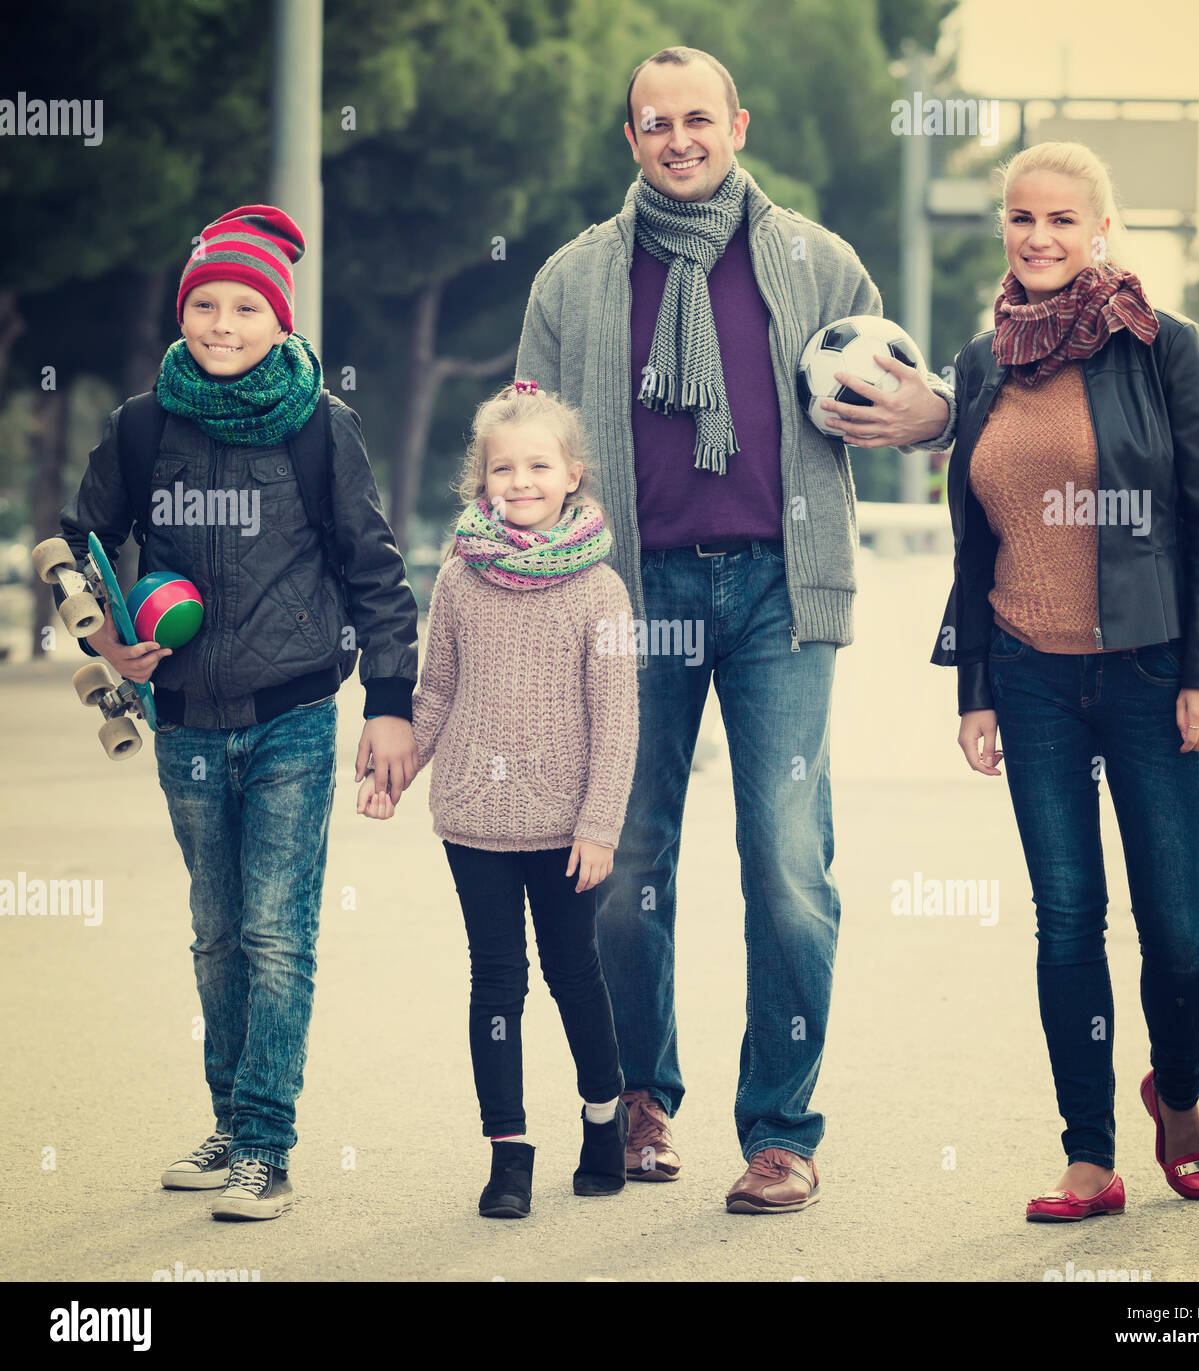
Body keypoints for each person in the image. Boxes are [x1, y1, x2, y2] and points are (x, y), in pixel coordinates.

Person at [516, 46, 957, 1213]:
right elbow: (521, 458)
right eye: (654, 123)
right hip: (628, 597)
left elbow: (904, 399)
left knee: (786, 863)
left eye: (697, 119)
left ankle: (779, 1131)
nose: (678, 139)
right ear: (631, 139)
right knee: (620, 865)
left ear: (738, 125)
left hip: (781, 590)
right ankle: (642, 1100)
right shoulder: (570, 281)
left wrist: (935, 415)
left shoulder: (819, 262)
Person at [56, 205, 420, 1220]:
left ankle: (268, 1144)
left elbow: (376, 572)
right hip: (183, 721)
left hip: (296, 714)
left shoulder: (318, 427)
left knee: (274, 935)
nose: (222, 323)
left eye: (245, 306)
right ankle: (228, 1125)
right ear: (184, 313)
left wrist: (391, 703)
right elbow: (81, 542)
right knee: (216, 935)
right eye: (206, 304)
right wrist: (106, 637)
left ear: (280, 319)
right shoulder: (140, 426)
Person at [930, 142, 1199, 1221]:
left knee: (1179, 931)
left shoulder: (1163, 349)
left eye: (1062, 219)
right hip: (1027, 672)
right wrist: (971, 684)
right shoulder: (983, 362)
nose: (1040, 237)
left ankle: (1180, 1094)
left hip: (1152, 669)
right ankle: (1089, 1157)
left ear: (1099, 230)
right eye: (1022, 219)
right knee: (1066, 918)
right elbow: (970, 540)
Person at [371, 381, 639, 1218]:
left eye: (537, 465)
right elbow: (439, 688)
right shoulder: (458, 576)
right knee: (496, 981)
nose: (519, 481)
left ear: (572, 475)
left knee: (574, 973)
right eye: (502, 468)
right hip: (474, 821)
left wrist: (599, 827)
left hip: (566, 829)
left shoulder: (600, 591)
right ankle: (508, 1150)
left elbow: (617, 721)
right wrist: (398, 764)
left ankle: (604, 1119)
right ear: (479, 481)